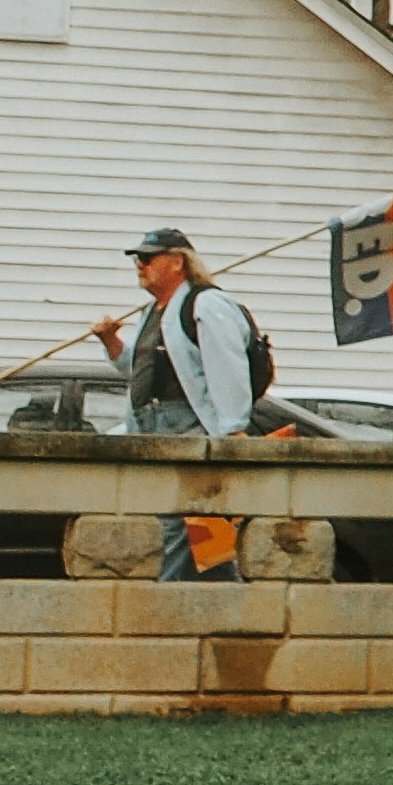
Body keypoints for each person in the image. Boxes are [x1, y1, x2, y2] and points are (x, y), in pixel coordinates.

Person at [91, 228, 273, 577]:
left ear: (177, 262)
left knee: (176, 522)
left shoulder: (205, 304)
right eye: (136, 259)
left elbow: (226, 366)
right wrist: (112, 341)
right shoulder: (152, 311)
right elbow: (143, 369)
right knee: (203, 535)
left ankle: (163, 612)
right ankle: (223, 605)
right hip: (150, 426)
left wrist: (233, 429)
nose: (139, 265)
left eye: (147, 258)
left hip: (186, 425)